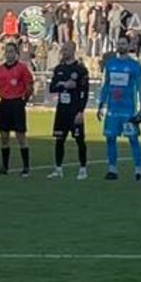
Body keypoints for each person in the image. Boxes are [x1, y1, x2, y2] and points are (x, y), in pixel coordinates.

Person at [97, 35, 141, 181]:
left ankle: (138, 170)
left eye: (123, 43)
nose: (121, 46)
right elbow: (106, 85)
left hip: (128, 110)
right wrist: (101, 104)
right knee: (110, 138)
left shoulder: (135, 65)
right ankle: (112, 169)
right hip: (112, 109)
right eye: (119, 44)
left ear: (129, 45)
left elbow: (140, 89)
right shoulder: (110, 64)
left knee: (133, 139)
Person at [48, 40, 91, 179]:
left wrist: (81, 111)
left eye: (66, 49)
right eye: (63, 49)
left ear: (73, 50)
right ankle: (58, 169)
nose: (63, 52)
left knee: (79, 140)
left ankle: (83, 169)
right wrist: (63, 84)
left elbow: (85, 91)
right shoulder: (59, 69)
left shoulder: (80, 70)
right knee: (59, 139)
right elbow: (52, 88)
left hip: (75, 110)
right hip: (62, 110)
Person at [0, 39, 34, 175]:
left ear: (16, 53)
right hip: (4, 103)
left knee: (20, 135)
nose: (8, 54)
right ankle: (5, 166)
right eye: (7, 52)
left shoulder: (22, 68)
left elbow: (29, 86)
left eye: (11, 51)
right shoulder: (0, 69)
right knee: (4, 136)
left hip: (17, 103)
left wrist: (24, 100)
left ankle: (26, 167)